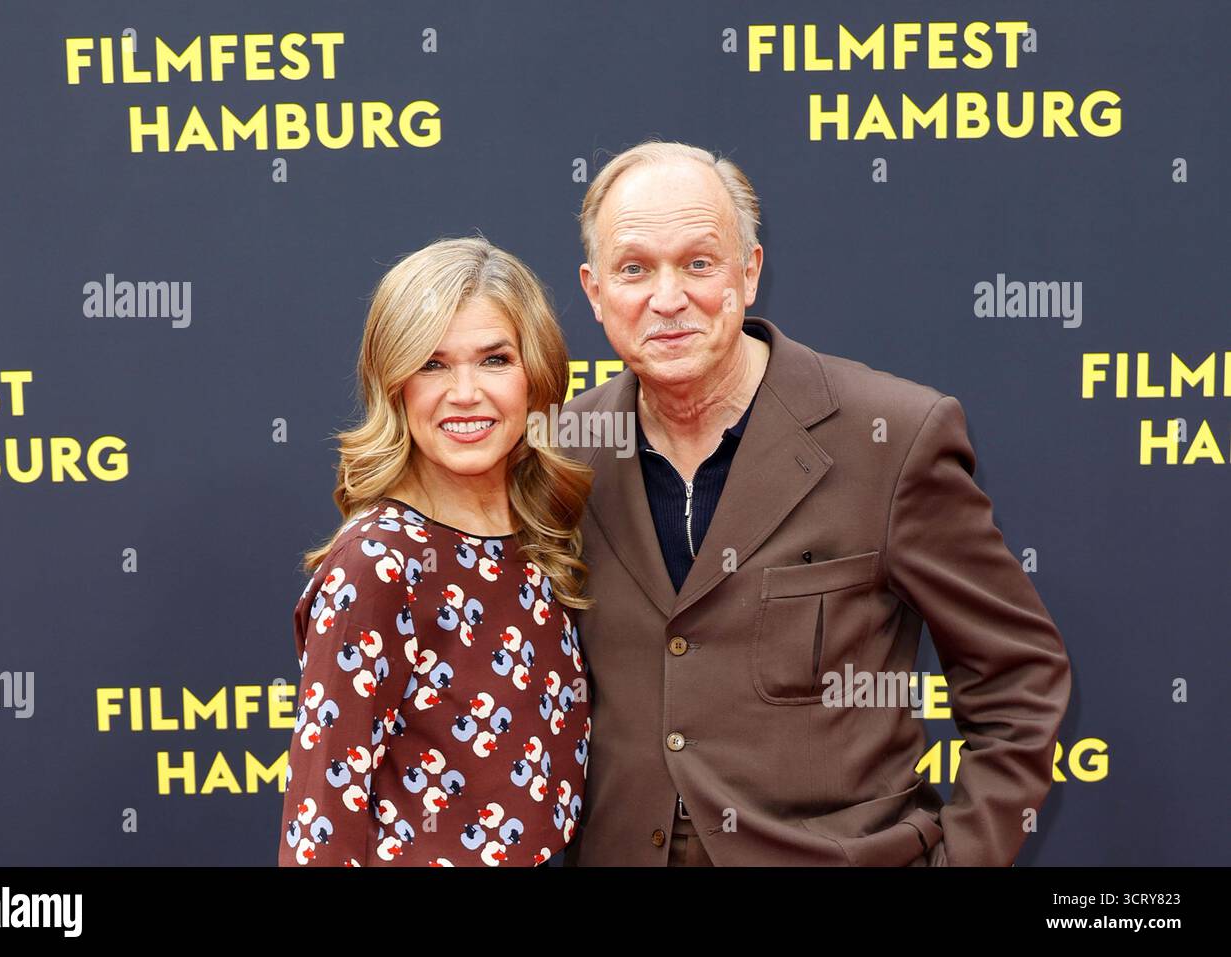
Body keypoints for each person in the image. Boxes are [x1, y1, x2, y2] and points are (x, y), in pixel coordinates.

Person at [559, 140, 1072, 867]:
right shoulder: (561, 458)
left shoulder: (890, 436)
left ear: (749, 271)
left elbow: (1018, 677)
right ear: (595, 290)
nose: (667, 298)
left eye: (699, 263)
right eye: (634, 268)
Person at [278, 236, 594, 867]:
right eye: (432, 364)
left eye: (495, 359)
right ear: (394, 385)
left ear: (537, 374)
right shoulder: (378, 562)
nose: (466, 393)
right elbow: (320, 816)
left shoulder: (541, 528)